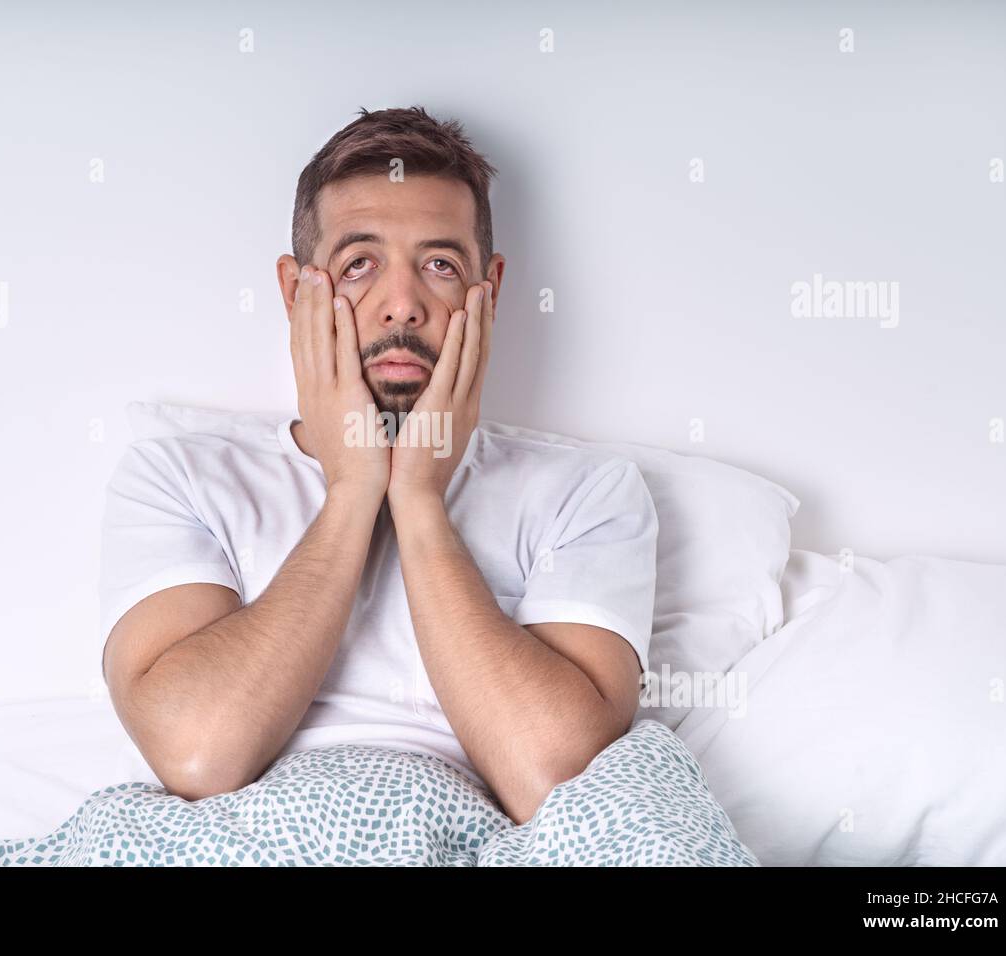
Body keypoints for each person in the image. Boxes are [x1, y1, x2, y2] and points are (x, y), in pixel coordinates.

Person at [98, 106, 658, 826]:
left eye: (440, 265)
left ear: (489, 290)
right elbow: (200, 755)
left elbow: (557, 787)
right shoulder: (178, 479)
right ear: (297, 290)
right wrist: (353, 489)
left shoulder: (588, 495)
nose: (402, 306)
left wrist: (419, 499)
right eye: (360, 264)